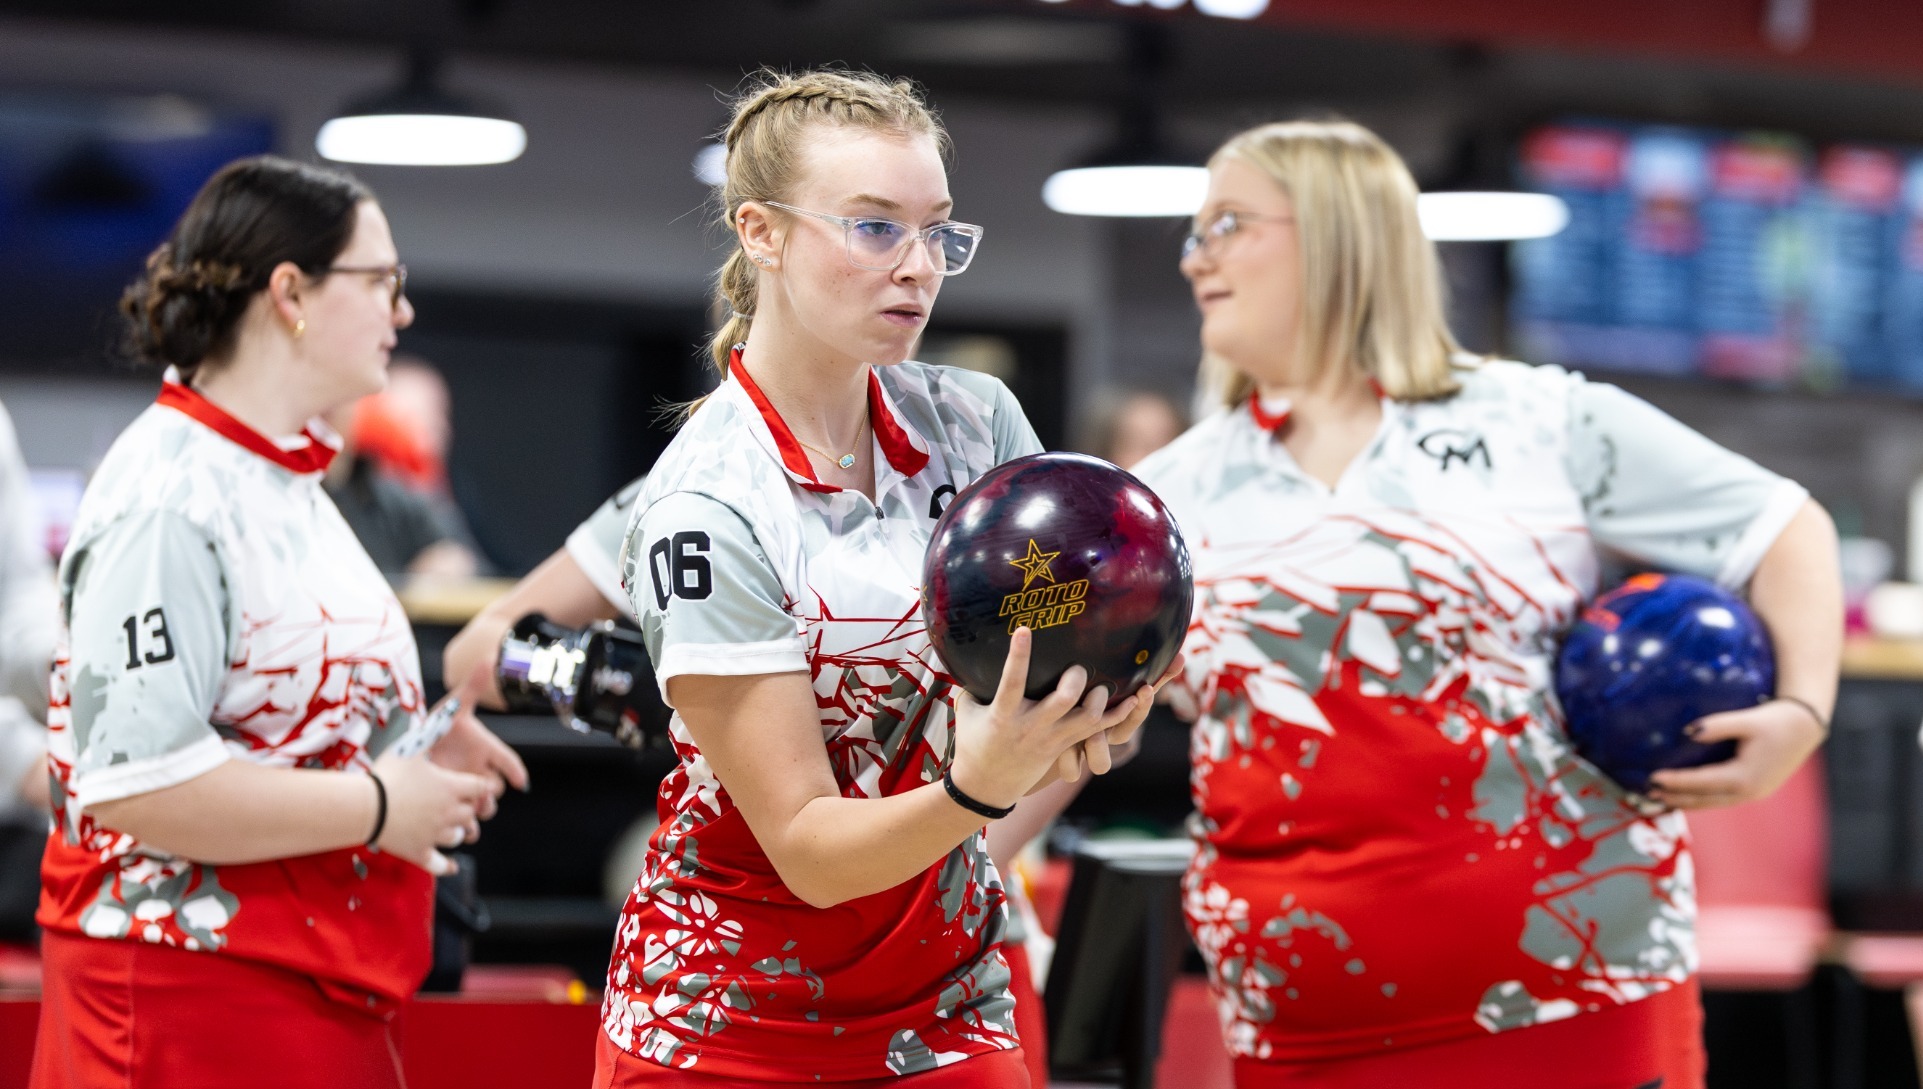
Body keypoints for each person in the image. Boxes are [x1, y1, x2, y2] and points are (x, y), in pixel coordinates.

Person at [1129, 120, 1841, 1089]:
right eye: (1193, 232)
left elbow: (1785, 526)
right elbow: (1064, 714)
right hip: (1305, 1014)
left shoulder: (1537, 417)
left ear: (1339, 232)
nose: (1192, 257)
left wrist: (1802, 713)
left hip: (1580, 980)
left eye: (1226, 225)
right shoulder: (1165, 490)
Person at [594, 69, 1167, 1087]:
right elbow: (810, 849)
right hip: (731, 1021)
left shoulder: (977, 420)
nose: (919, 266)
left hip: (948, 995)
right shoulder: (706, 503)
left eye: (938, 230)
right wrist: (983, 785)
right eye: (873, 228)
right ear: (761, 234)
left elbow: (1023, 701)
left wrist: (1086, 723)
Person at [30, 155, 526, 1089]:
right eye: (382, 282)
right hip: (188, 986)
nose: (402, 311)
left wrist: (409, 749)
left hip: (311, 976)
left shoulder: (280, 476)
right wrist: (385, 804)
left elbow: (272, 721)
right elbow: (137, 782)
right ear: (290, 291)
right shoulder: (170, 492)